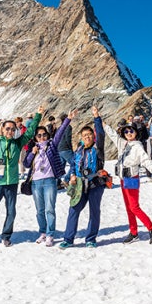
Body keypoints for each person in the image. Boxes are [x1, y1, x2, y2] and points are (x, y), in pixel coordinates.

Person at [0, 107, 43, 247]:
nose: (10, 131)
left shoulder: (17, 143)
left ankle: (6, 236)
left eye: (13, 129)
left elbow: (30, 132)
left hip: (11, 182)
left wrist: (38, 115)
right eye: (7, 129)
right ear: (2, 129)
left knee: (11, 211)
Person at [23, 109, 76, 247]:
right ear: (35, 137)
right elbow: (26, 164)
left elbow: (59, 133)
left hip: (49, 181)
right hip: (35, 183)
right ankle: (43, 232)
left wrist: (68, 119)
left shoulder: (52, 145)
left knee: (49, 209)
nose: (42, 137)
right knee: (40, 210)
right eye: (39, 135)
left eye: (44, 135)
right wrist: (32, 153)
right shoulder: (33, 148)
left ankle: (50, 234)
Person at [106, 120, 152, 244]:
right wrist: (101, 122)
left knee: (134, 207)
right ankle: (133, 232)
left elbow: (145, 160)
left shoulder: (138, 147)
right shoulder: (123, 143)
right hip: (123, 178)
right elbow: (112, 135)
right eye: (126, 131)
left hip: (132, 178)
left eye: (131, 130)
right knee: (128, 207)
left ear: (136, 132)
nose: (128, 133)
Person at [60, 106, 108, 249]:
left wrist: (96, 117)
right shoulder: (78, 151)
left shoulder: (98, 148)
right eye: (84, 135)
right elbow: (73, 165)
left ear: (93, 136)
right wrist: (72, 175)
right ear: (81, 137)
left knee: (94, 211)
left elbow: (101, 133)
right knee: (73, 210)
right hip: (80, 184)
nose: (87, 137)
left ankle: (91, 239)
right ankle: (68, 239)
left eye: (89, 134)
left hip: (95, 184)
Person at [56, 112, 74, 177]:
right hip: (66, 149)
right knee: (74, 164)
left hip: (59, 149)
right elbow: (67, 138)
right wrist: (71, 149)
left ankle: (57, 181)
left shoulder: (59, 128)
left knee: (61, 167)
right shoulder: (68, 127)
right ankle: (66, 179)